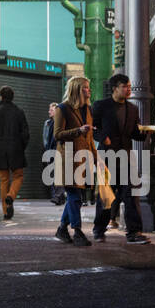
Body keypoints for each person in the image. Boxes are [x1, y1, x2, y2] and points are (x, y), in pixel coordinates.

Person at [90, 73, 150, 244]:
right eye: (125, 87)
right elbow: (93, 128)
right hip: (106, 157)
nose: (128, 90)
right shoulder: (101, 106)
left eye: (129, 87)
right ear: (115, 89)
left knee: (131, 195)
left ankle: (134, 233)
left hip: (126, 157)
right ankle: (99, 229)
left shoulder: (132, 109)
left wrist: (144, 132)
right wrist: (103, 138)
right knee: (106, 196)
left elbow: (134, 134)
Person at [51, 76, 94, 246]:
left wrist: (96, 159)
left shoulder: (88, 110)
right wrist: (78, 130)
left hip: (83, 159)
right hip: (68, 158)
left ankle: (62, 228)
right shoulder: (62, 109)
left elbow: (90, 138)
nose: (89, 90)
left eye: (88, 87)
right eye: (85, 87)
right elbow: (57, 134)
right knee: (75, 196)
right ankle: (77, 231)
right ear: (77, 89)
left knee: (75, 197)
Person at [0, 86, 30, 220]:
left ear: (1, 96)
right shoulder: (19, 112)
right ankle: (11, 195)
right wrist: (22, 146)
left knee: (4, 179)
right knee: (18, 176)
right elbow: (25, 133)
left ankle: (5, 211)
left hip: (0, 148)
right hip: (16, 147)